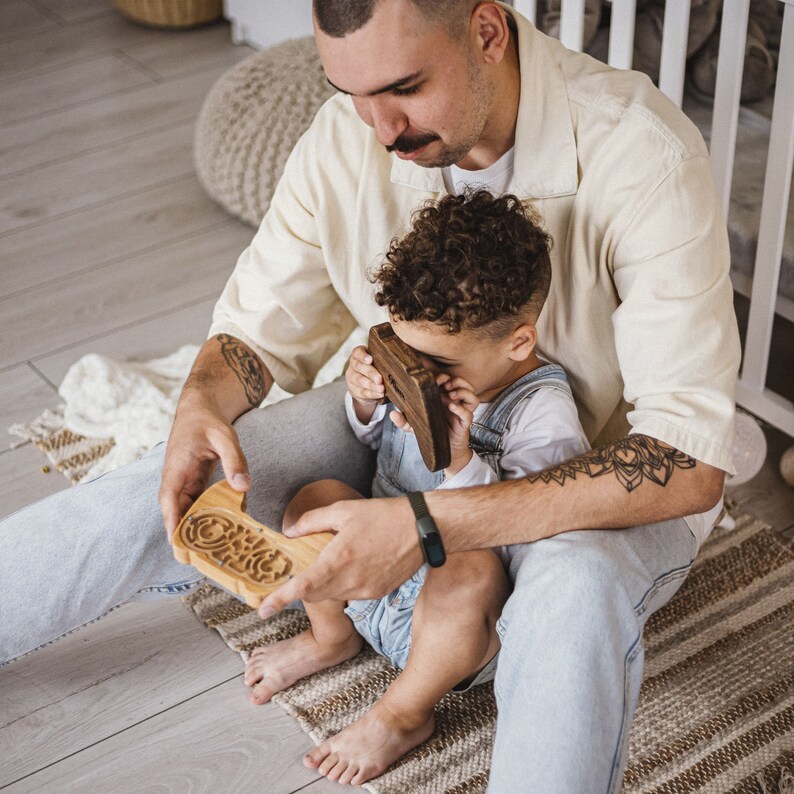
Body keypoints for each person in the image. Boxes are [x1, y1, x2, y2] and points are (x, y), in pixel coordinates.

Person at [0, 1, 740, 791]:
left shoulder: (644, 153)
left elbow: (688, 462)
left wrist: (425, 522)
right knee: (178, 475)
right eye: (353, 93)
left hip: (595, 485)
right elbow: (253, 331)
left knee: (573, 593)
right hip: (406, 430)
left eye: (405, 87)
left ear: (487, 33)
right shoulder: (345, 136)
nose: (380, 127)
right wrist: (200, 405)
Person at [244, 190, 589, 785]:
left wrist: (460, 459)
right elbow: (373, 441)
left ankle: (404, 713)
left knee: (470, 571)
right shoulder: (428, 351)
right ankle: (331, 636)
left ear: (518, 342)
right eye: (407, 355)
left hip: (450, 625)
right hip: (370, 572)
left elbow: (535, 536)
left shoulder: (542, 415)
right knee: (313, 499)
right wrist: (364, 399)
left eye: (440, 365)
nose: (421, 375)